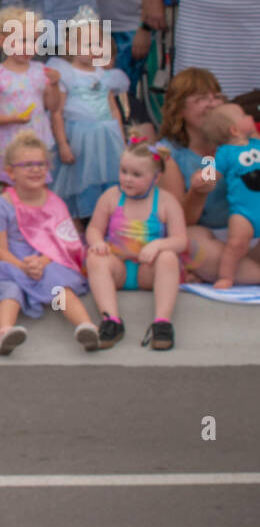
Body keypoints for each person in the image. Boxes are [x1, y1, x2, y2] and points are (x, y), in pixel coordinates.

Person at [0, 131, 98, 355]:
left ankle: (84, 326)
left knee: (59, 289)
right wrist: (23, 266)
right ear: (10, 172)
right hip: (10, 260)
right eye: (27, 164)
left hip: (47, 259)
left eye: (40, 164)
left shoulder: (55, 203)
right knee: (10, 290)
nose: (35, 169)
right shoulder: (1, 205)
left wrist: (42, 262)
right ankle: (4, 332)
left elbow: (64, 244)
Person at [153, 69, 260, 283]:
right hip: (208, 236)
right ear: (179, 109)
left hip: (248, 232)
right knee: (190, 239)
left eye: (216, 97)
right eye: (202, 98)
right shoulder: (169, 154)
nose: (212, 104)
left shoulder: (241, 143)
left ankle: (234, 271)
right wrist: (197, 193)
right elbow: (179, 221)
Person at [85, 141, 187, 350]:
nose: (127, 179)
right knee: (94, 258)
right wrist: (97, 242)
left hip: (148, 271)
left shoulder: (166, 201)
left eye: (136, 174)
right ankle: (111, 320)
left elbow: (180, 240)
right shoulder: (111, 197)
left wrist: (159, 244)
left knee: (168, 257)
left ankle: (162, 323)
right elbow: (93, 228)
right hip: (118, 270)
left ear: (156, 178)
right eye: (123, 171)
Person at [48, 9, 128, 218]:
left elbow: (113, 108)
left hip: (106, 136)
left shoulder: (105, 74)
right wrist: (63, 144)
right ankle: (85, 219)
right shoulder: (66, 74)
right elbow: (57, 112)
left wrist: (121, 139)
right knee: (83, 178)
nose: (93, 50)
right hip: (79, 137)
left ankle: (106, 217)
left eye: (97, 44)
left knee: (108, 178)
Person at [0, 5, 61, 184]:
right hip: (9, 141)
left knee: (38, 183)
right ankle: (10, 212)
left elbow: (53, 106)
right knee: (11, 184)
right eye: (22, 41)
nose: (28, 47)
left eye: (33, 40)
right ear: (3, 42)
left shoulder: (41, 71)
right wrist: (11, 119)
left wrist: (54, 85)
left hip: (36, 140)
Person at [199, 103, 260, 289]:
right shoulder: (225, 153)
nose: (250, 116)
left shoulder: (256, 143)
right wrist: (204, 179)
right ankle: (226, 276)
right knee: (235, 245)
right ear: (234, 130)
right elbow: (211, 175)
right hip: (243, 213)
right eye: (243, 115)